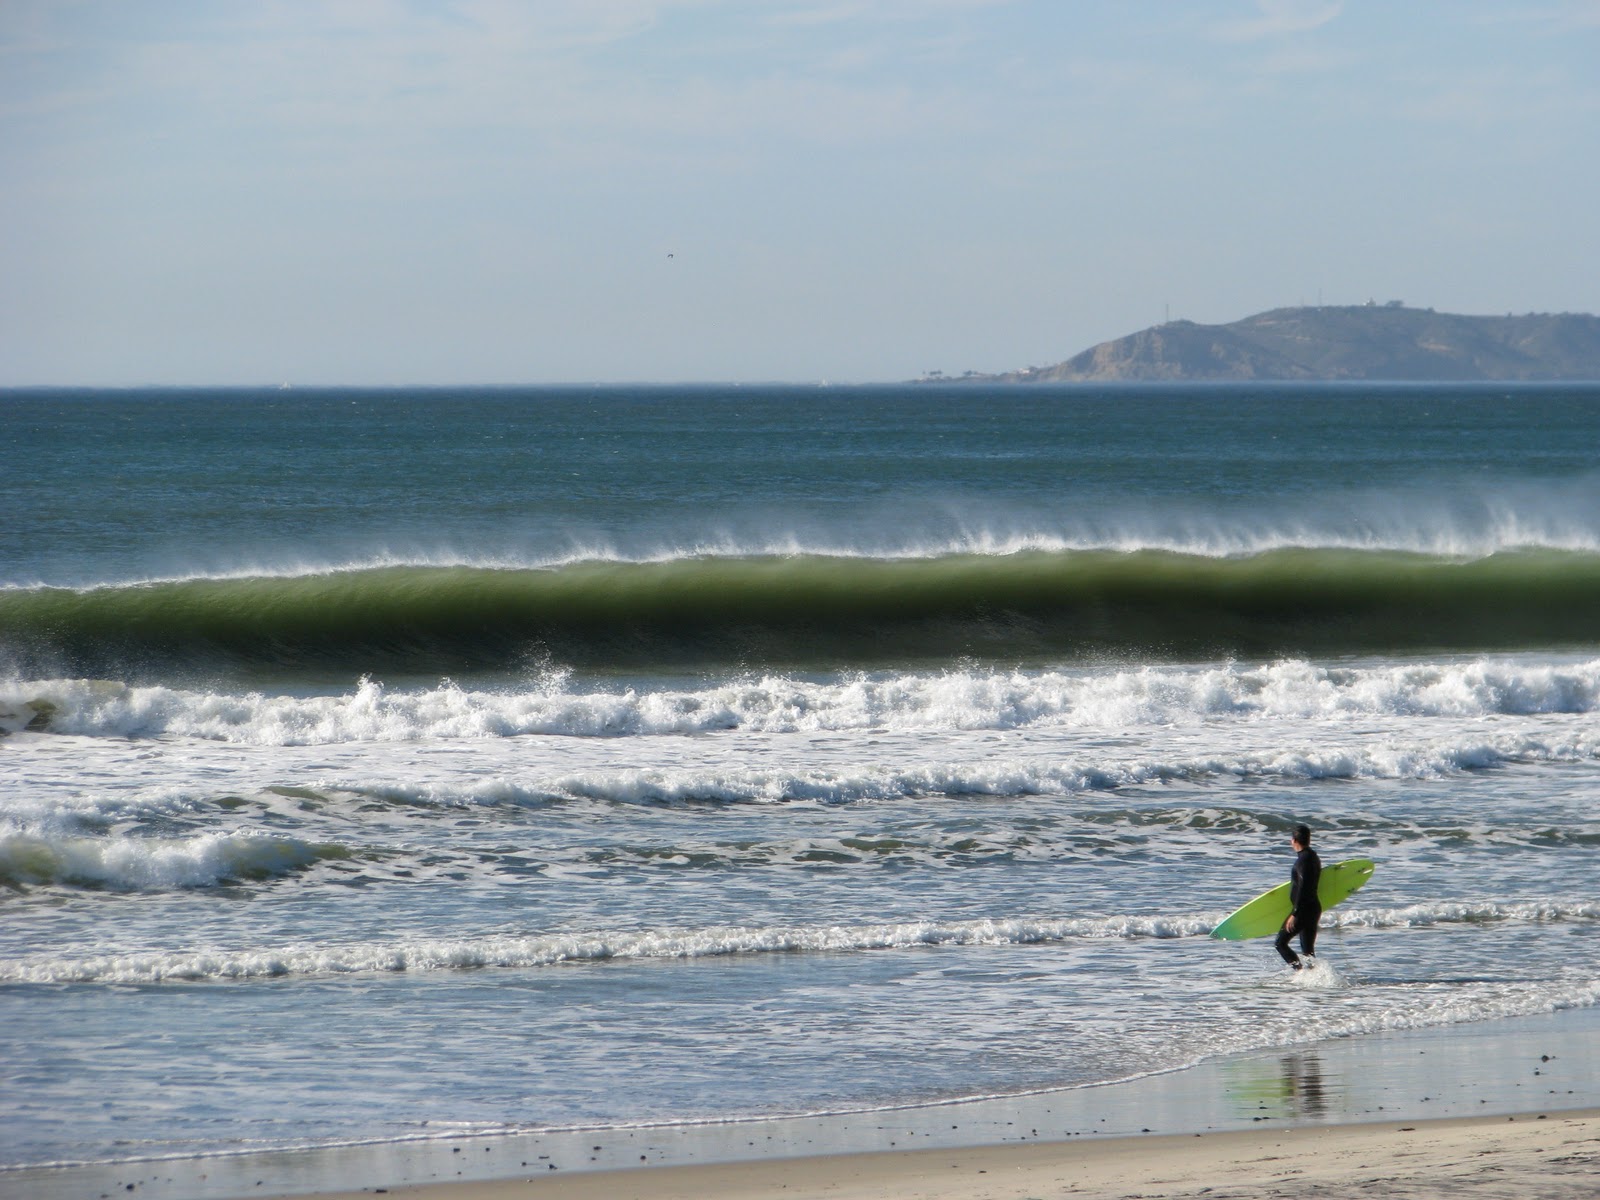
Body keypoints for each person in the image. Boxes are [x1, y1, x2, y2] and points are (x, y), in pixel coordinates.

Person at [1275, 824, 1322, 969]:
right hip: (1312, 907)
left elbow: (1304, 888)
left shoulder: (1303, 860)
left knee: (1280, 943)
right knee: (1308, 951)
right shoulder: (1312, 856)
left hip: (1303, 910)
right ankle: (1314, 976)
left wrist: (1295, 914)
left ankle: (1300, 971)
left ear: (1294, 841)